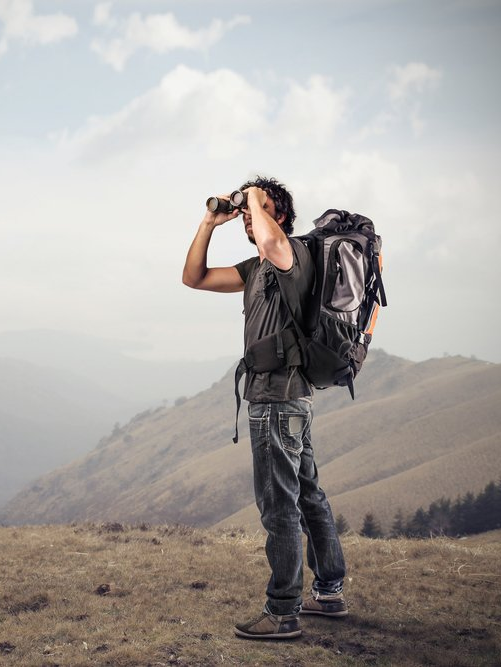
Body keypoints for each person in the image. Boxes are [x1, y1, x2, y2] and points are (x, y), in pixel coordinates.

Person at [181, 176, 348, 640]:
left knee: (279, 507)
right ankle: (329, 592)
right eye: (250, 214)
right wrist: (210, 222)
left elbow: (273, 237)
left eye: (263, 209)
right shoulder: (256, 269)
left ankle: (282, 612)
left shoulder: (292, 254)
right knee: (308, 495)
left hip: (278, 401)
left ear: (281, 217)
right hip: (282, 399)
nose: (251, 218)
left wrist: (253, 196)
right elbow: (192, 278)